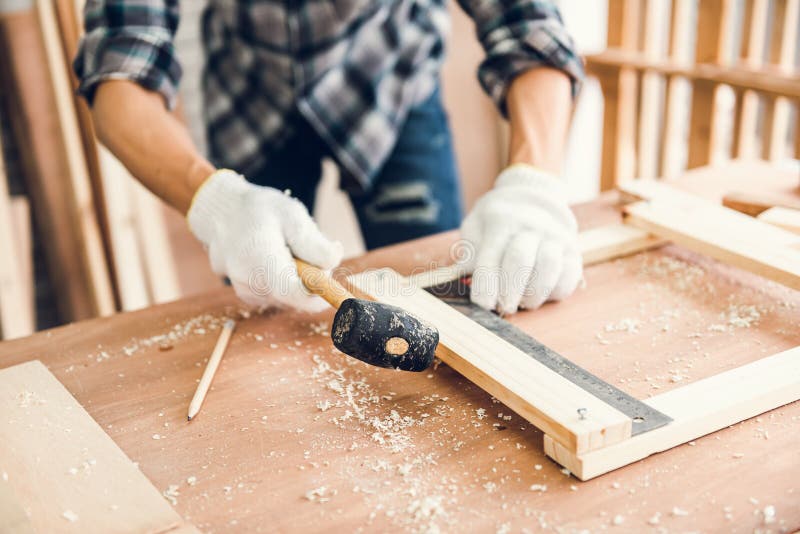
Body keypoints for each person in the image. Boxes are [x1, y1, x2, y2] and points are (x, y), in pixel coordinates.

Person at [75, 0, 584, 315]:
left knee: (442, 300)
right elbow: (120, 67)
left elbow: (528, 26)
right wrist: (215, 202)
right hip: (251, 92)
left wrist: (533, 183)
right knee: (264, 297)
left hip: (391, 83)